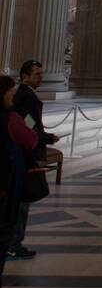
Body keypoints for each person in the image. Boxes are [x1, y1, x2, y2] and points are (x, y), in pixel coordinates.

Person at [8, 60, 57, 260]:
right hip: (23, 155)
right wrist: (46, 138)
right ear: (25, 76)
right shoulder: (25, 96)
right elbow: (29, 126)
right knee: (21, 201)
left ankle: (13, 242)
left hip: (22, 153)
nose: (41, 77)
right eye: (37, 74)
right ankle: (13, 244)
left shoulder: (25, 95)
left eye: (41, 73)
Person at [0, 74, 39, 288]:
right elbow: (31, 140)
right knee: (3, 232)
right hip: (5, 184)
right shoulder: (10, 119)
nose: (12, 98)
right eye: (10, 94)